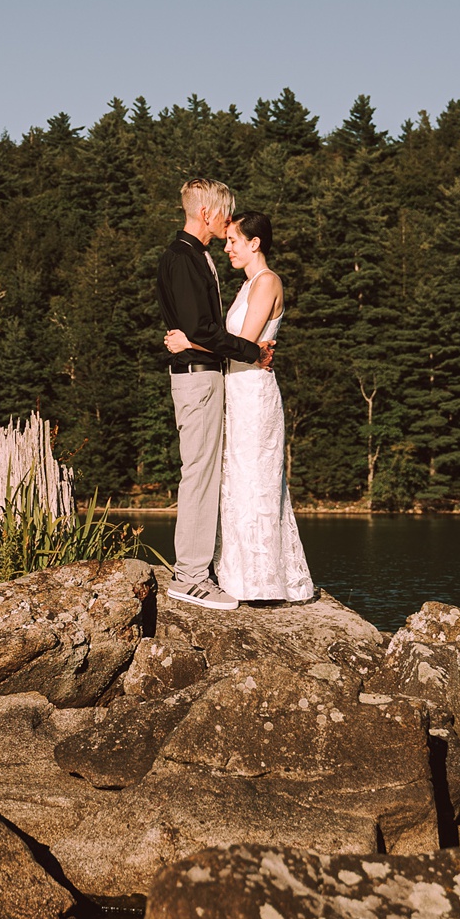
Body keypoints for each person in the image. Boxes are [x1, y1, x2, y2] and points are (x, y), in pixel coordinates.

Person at [157, 179, 274, 610]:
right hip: (198, 379)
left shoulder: (193, 255)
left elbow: (196, 332)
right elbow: (202, 330)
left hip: (205, 374)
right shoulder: (182, 258)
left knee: (205, 472)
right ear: (206, 213)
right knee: (200, 474)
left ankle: (198, 570)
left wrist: (191, 340)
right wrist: (252, 352)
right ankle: (190, 577)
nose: (229, 223)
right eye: (225, 213)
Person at [213, 210, 314, 603]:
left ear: (254, 243)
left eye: (233, 241)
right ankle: (237, 577)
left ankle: (262, 582)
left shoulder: (268, 281)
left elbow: (243, 342)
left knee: (256, 480)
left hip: (254, 393)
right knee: (237, 480)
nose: (227, 248)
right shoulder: (247, 284)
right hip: (236, 389)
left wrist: (190, 342)